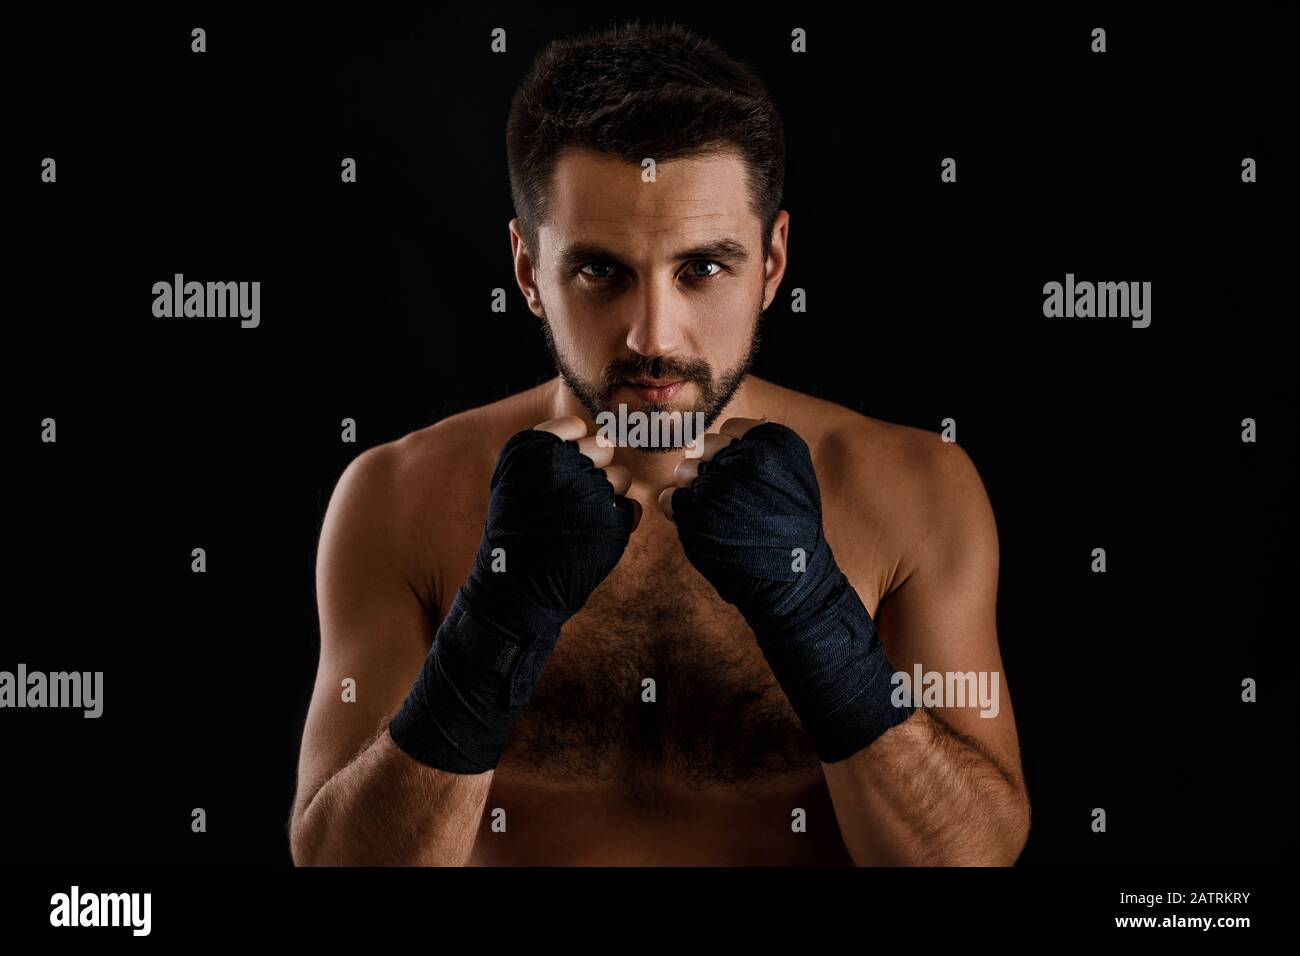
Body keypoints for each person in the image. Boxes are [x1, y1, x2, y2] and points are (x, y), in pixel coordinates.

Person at [290, 21, 1029, 866]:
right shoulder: (396, 497)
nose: (652, 336)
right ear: (530, 272)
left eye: (702, 269)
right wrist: (497, 621)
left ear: (773, 261)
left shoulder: (915, 491)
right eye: (601, 271)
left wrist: (816, 617)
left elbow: (972, 858)